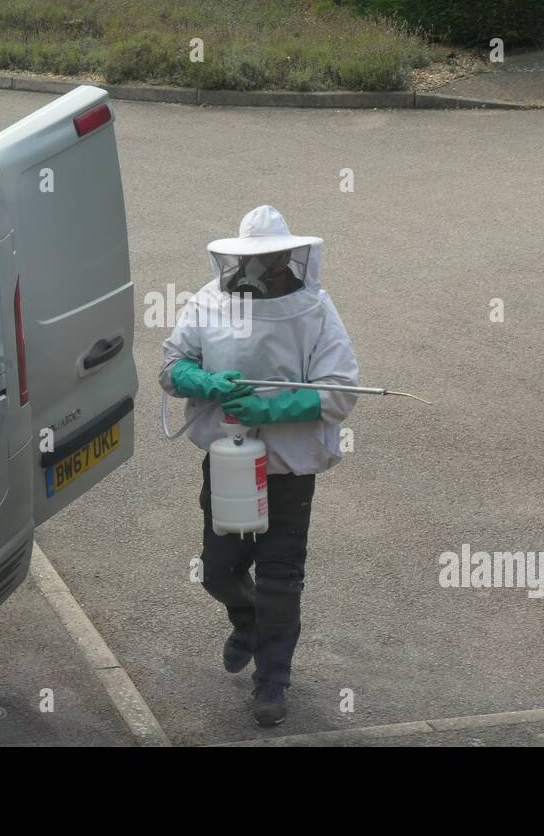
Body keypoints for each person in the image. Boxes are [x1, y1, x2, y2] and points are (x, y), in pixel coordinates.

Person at [160, 205, 360, 727]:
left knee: (281, 578)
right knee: (219, 568)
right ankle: (245, 616)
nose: (259, 271)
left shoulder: (315, 310)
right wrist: (204, 383)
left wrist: (273, 409)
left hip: (289, 470)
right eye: (249, 261)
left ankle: (272, 680)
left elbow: (339, 391)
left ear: (288, 258)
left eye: (269, 260)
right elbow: (171, 365)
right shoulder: (208, 301)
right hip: (227, 460)